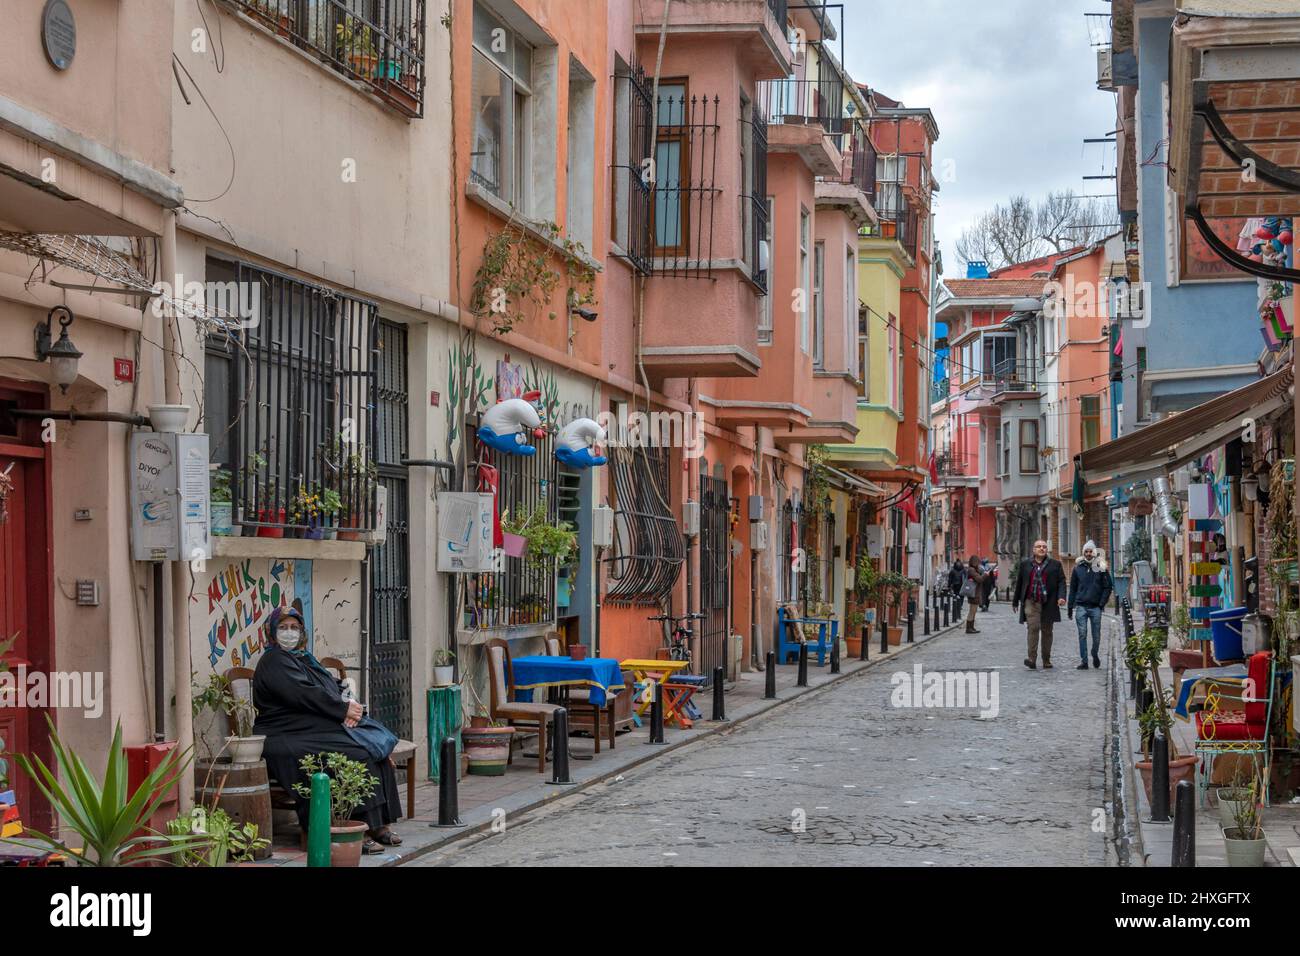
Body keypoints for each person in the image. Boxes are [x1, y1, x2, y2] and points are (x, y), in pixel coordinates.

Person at [253, 606, 403, 854]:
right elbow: (304, 694)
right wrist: (342, 709)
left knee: (374, 746)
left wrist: (350, 705)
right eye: (282, 628)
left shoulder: (303, 659)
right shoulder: (274, 661)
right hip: (285, 736)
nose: (289, 633)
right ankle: (346, 828)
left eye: (294, 628)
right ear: (271, 632)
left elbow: (333, 684)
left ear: (302, 632)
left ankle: (376, 824)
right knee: (357, 753)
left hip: (312, 729)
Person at [1012, 539, 1066, 670]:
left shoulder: (1055, 565)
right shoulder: (1025, 565)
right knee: (1033, 628)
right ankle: (1032, 659)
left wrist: (1061, 597)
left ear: (1046, 550)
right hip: (1031, 602)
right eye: (1038, 547)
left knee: (1047, 631)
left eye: (1044, 547)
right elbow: (1020, 583)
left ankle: (1046, 659)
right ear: (1033, 550)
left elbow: (1061, 582)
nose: (1042, 549)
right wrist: (1015, 601)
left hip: (1049, 602)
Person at [1069, 539, 1113, 670]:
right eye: (1086, 551)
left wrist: (1101, 603)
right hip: (1081, 606)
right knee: (1082, 634)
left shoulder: (1101, 568)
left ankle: (1094, 653)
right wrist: (1070, 607)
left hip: (1095, 607)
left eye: (1091, 551)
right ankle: (1084, 661)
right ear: (1083, 553)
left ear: (1094, 552)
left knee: (1096, 635)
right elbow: (1073, 588)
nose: (1088, 554)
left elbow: (1108, 586)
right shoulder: (1077, 569)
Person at [963, 555, 986, 633]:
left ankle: (971, 627)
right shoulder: (971, 570)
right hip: (973, 593)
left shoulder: (974, 569)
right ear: (973, 562)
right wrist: (985, 574)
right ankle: (969, 628)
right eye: (977, 561)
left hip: (975, 593)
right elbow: (979, 579)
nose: (978, 563)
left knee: (974, 611)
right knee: (972, 611)